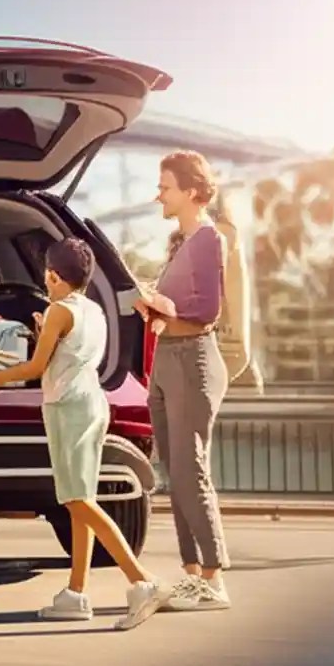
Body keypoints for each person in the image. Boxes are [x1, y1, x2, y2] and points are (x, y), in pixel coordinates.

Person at [0, 238, 169, 631]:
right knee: (82, 501)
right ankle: (76, 594)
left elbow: (37, 368)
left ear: (52, 276)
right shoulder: (92, 310)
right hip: (93, 404)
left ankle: (142, 581)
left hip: (68, 411)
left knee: (77, 501)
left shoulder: (57, 310)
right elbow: (58, 360)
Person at [135, 150, 232, 611]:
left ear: (191, 191)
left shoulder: (210, 239)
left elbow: (208, 310)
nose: (159, 195)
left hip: (192, 360)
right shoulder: (182, 243)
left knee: (191, 469)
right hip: (167, 360)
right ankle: (191, 575)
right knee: (174, 472)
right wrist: (152, 305)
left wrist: (167, 309)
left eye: (166, 187)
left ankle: (213, 580)